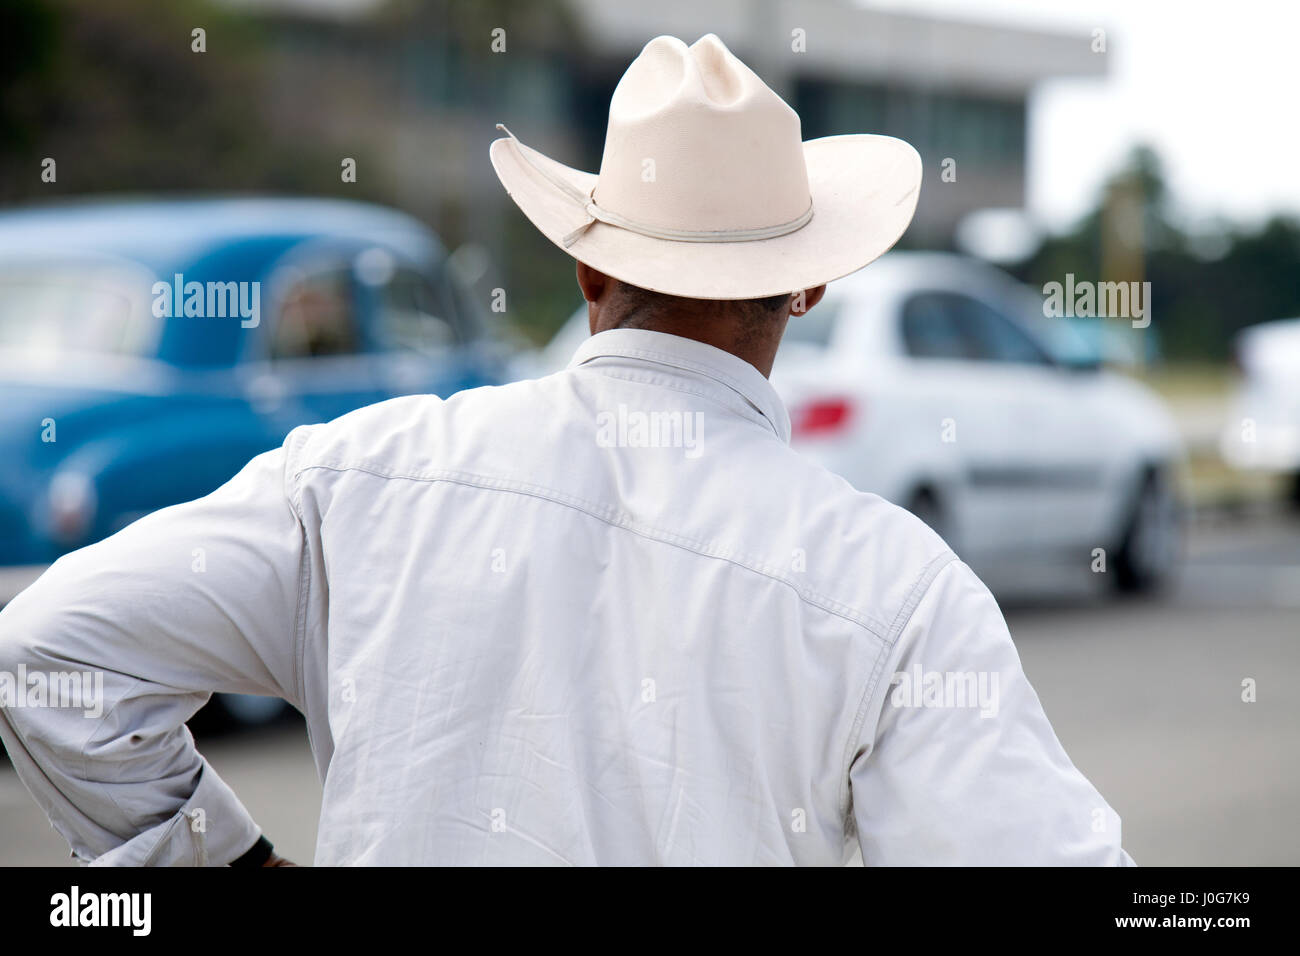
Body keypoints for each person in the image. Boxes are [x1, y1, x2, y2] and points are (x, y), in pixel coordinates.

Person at [0, 34, 1132, 865]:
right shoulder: (895, 590)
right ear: (808, 285)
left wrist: (224, 866)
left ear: (588, 268)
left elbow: (45, 655)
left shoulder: (354, 479)